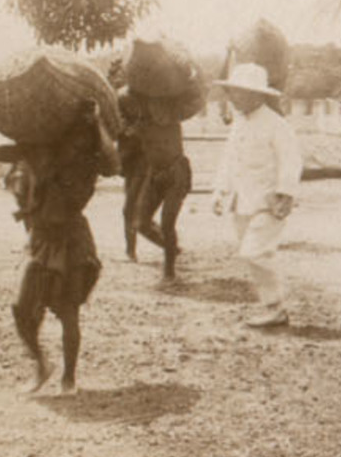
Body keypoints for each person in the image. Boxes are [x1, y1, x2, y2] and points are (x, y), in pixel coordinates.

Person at [0, 92, 118, 393]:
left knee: (68, 311)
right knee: (21, 309)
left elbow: (113, 164)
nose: (76, 139)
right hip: (39, 239)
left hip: (73, 237)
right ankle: (42, 365)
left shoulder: (87, 157)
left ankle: (69, 379)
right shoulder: (36, 149)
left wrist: (99, 122)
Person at [211, 63, 302, 328]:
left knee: (255, 252)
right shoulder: (239, 124)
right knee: (250, 252)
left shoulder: (277, 125)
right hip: (242, 200)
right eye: (233, 92)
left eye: (240, 92)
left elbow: (291, 160)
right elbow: (228, 160)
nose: (234, 97)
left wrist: (285, 194)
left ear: (257, 95)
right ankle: (273, 307)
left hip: (268, 200)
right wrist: (219, 190)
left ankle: (276, 308)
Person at [119, 86, 194, 281]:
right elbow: (122, 131)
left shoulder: (169, 116)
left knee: (167, 223)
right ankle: (172, 249)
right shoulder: (140, 124)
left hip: (176, 173)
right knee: (141, 223)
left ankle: (169, 270)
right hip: (156, 174)